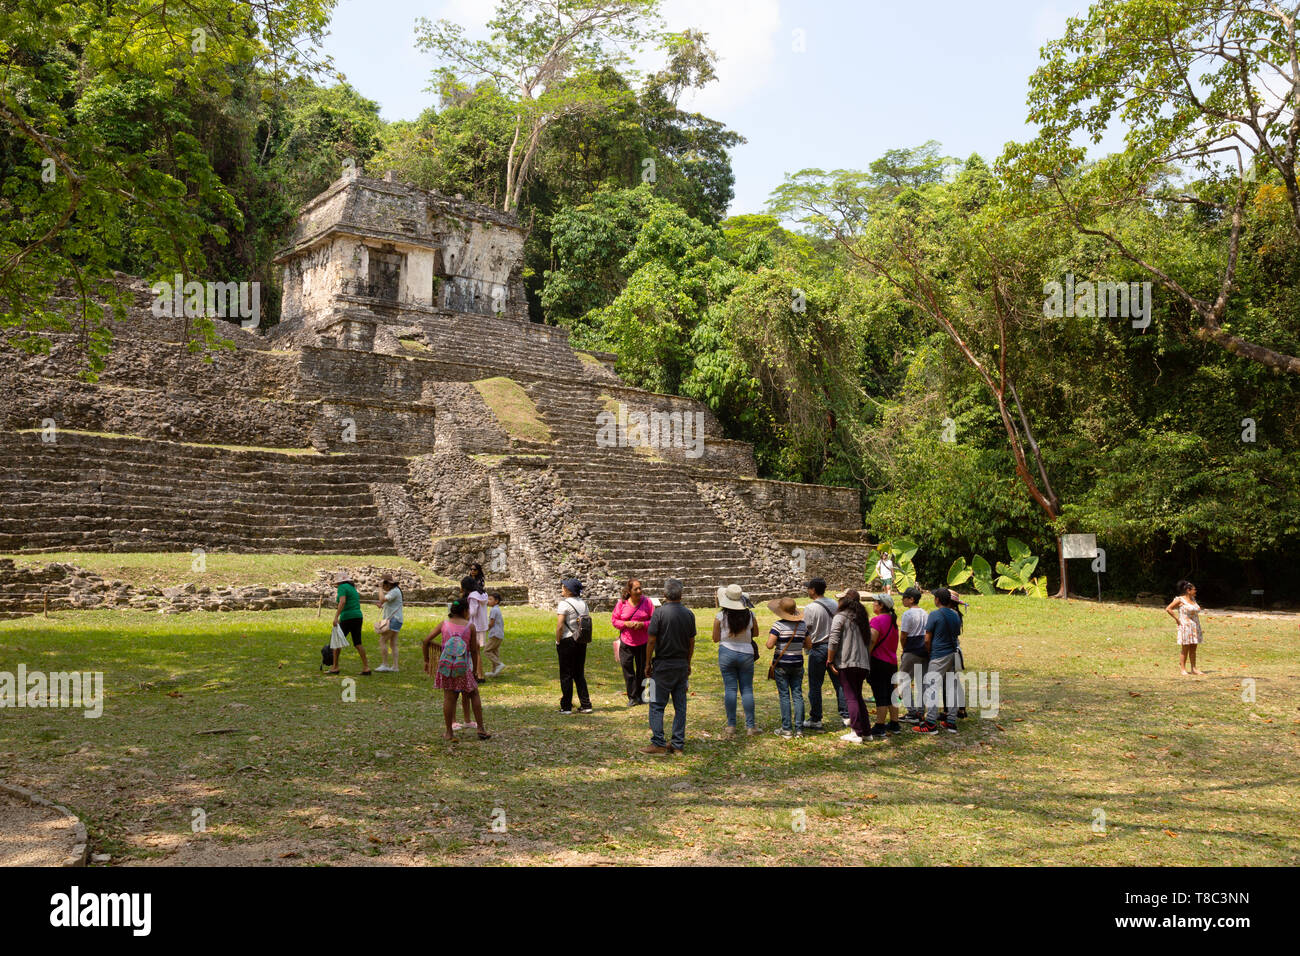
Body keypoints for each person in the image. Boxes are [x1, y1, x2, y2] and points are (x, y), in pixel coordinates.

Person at [423, 598, 490, 741]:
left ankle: (449, 732)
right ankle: (481, 728)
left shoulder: (444, 624)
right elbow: (473, 650)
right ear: (466, 611)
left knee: (449, 698)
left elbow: (426, 640)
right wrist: (474, 670)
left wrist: (427, 660)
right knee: (473, 694)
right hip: (463, 667)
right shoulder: (470, 626)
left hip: (446, 667)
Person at [642, 578, 696, 755]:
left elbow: (651, 640)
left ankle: (658, 742)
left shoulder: (659, 614)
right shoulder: (688, 614)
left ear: (665, 594)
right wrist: (688, 663)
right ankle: (677, 743)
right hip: (680, 664)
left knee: (657, 704)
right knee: (680, 705)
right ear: (681, 594)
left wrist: (647, 662)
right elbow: (691, 642)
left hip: (663, 663)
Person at [914, 587, 963, 734]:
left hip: (939, 655)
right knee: (952, 687)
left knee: (931, 688)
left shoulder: (935, 615)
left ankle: (930, 723)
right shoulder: (955, 615)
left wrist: (929, 652)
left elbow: (927, 638)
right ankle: (951, 721)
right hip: (953, 654)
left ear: (937, 600)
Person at [826, 589, 873, 743]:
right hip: (863, 662)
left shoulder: (840, 617)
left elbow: (833, 640)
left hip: (847, 661)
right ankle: (866, 731)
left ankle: (856, 732)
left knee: (851, 697)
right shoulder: (862, 618)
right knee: (858, 696)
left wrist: (830, 659)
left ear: (844, 601)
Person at [713, 583, 759, 736]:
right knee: (747, 689)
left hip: (726, 652)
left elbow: (715, 638)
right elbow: (756, 633)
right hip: (746, 652)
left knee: (730, 689)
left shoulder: (720, 616)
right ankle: (751, 726)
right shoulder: (750, 615)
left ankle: (731, 725)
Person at [802, 577, 848, 730]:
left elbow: (806, 629)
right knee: (839, 683)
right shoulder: (834, 604)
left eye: (809, 588)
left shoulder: (810, 608)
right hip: (834, 647)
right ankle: (846, 715)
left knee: (815, 685)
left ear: (813, 590)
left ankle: (816, 718)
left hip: (818, 647)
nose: (808, 590)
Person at [766, 597, 811, 738]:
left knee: (784, 695)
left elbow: (769, 644)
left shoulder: (778, 626)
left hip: (782, 665)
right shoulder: (803, 626)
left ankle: (786, 729)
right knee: (797, 694)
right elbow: (809, 644)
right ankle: (799, 729)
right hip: (797, 663)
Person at [611, 578, 653, 706]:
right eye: (636, 589)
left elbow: (655, 621)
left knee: (642, 670)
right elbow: (614, 620)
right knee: (628, 670)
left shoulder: (647, 602)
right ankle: (632, 697)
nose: (639, 591)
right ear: (629, 591)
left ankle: (641, 696)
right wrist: (626, 623)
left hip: (643, 642)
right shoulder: (621, 604)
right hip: (626, 642)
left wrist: (643, 624)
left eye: (640, 588)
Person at [865, 593, 902, 740]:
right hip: (891, 662)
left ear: (881, 605)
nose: (873, 604)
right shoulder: (893, 621)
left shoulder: (877, 620)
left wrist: (866, 656)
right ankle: (894, 723)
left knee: (880, 694)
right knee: (892, 694)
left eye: (875, 602)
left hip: (878, 662)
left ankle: (879, 726)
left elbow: (872, 640)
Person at [555, 579, 592, 715]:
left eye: (564, 587)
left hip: (567, 640)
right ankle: (586, 704)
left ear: (569, 590)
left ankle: (566, 706)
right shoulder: (583, 604)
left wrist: (558, 641)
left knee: (566, 674)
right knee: (579, 673)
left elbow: (560, 626)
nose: (562, 590)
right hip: (581, 640)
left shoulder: (564, 604)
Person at [327, 571, 371, 676]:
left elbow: (342, 601)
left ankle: (335, 667)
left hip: (347, 617)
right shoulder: (352, 588)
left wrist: (336, 617)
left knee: (337, 641)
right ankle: (366, 667)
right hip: (358, 616)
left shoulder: (342, 587)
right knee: (358, 643)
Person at [897, 587, 928, 723]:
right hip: (924, 650)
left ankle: (911, 712)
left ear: (911, 599)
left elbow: (903, 636)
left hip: (912, 649)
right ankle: (920, 712)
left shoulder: (908, 614)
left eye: (905, 597)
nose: (902, 599)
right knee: (922, 682)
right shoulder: (925, 613)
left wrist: (904, 650)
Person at [1166, 580, 1204, 675]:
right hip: (1185, 626)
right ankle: (1183, 669)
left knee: (1193, 648)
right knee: (1185, 648)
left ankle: (1193, 668)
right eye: (1194, 589)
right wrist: (1177, 619)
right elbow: (1168, 608)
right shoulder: (1180, 600)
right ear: (1188, 590)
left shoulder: (1193, 600)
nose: (1196, 591)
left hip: (1195, 626)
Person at [462, 575, 491, 681]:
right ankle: (479, 674)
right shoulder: (482, 593)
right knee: (477, 651)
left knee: (475, 650)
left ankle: (479, 675)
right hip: (482, 625)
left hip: (475, 626)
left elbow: (472, 611)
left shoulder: (473, 596)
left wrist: (463, 614)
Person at [374, 575, 403, 672]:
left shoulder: (394, 591)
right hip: (396, 620)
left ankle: (385, 664)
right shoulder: (394, 591)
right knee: (393, 643)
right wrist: (382, 606)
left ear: (387, 584)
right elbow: (389, 604)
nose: (384, 588)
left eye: (384, 585)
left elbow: (382, 599)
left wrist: (380, 587)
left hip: (393, 620)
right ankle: (395, 667)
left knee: (382, 641)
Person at [483, 592, 506, 677]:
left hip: (495, 634)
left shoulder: (493, 610)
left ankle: (499, 664)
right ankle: (494, 672)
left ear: (496, 601)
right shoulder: (497, 609)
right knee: (494, 652)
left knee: (487, 651)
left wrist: (485, 629)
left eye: (490, 599)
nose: (488, 601)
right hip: (499, 634)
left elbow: (491, 623)